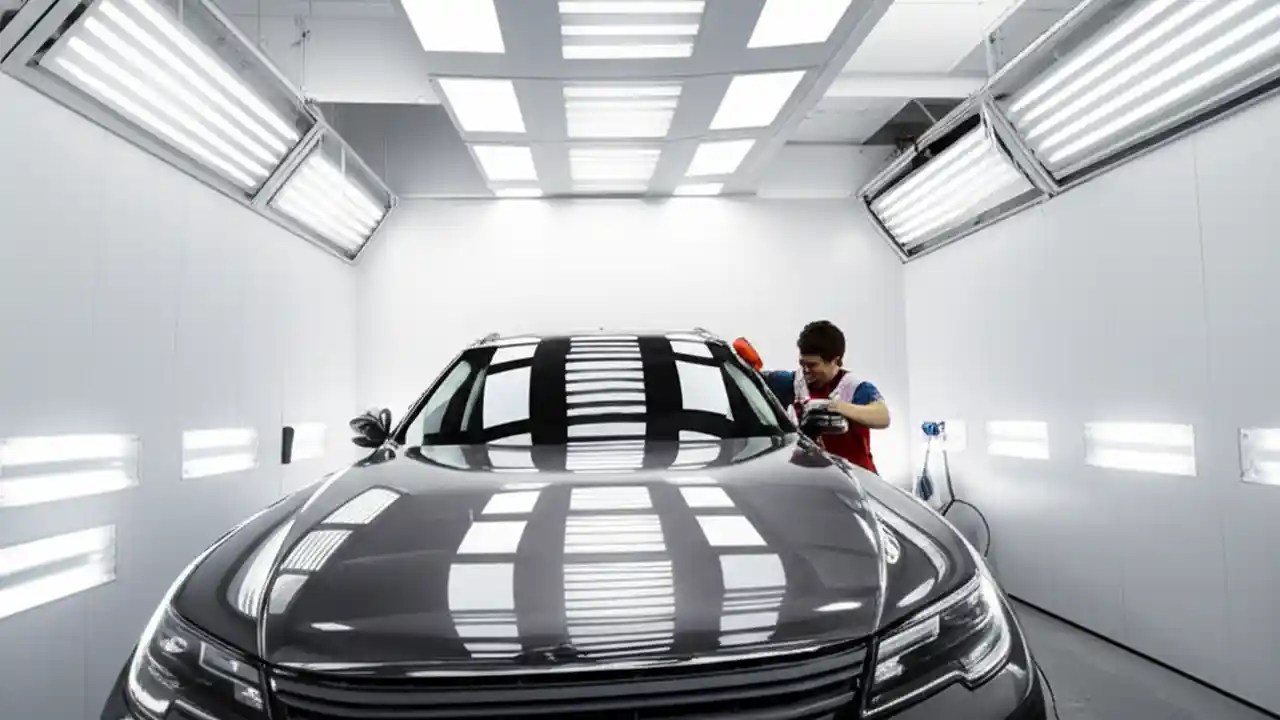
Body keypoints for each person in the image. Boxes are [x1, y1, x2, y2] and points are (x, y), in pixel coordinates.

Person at [735, 322, 890, 474]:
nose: (806, 371)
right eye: (803, 364)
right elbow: (752, 381)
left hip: (857, 480)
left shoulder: (854, 388)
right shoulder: (791, 382)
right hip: (813, 478)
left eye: (813, 365)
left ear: (835, 361)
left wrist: (836, 407)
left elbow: (882, 416)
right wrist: (744, 364)